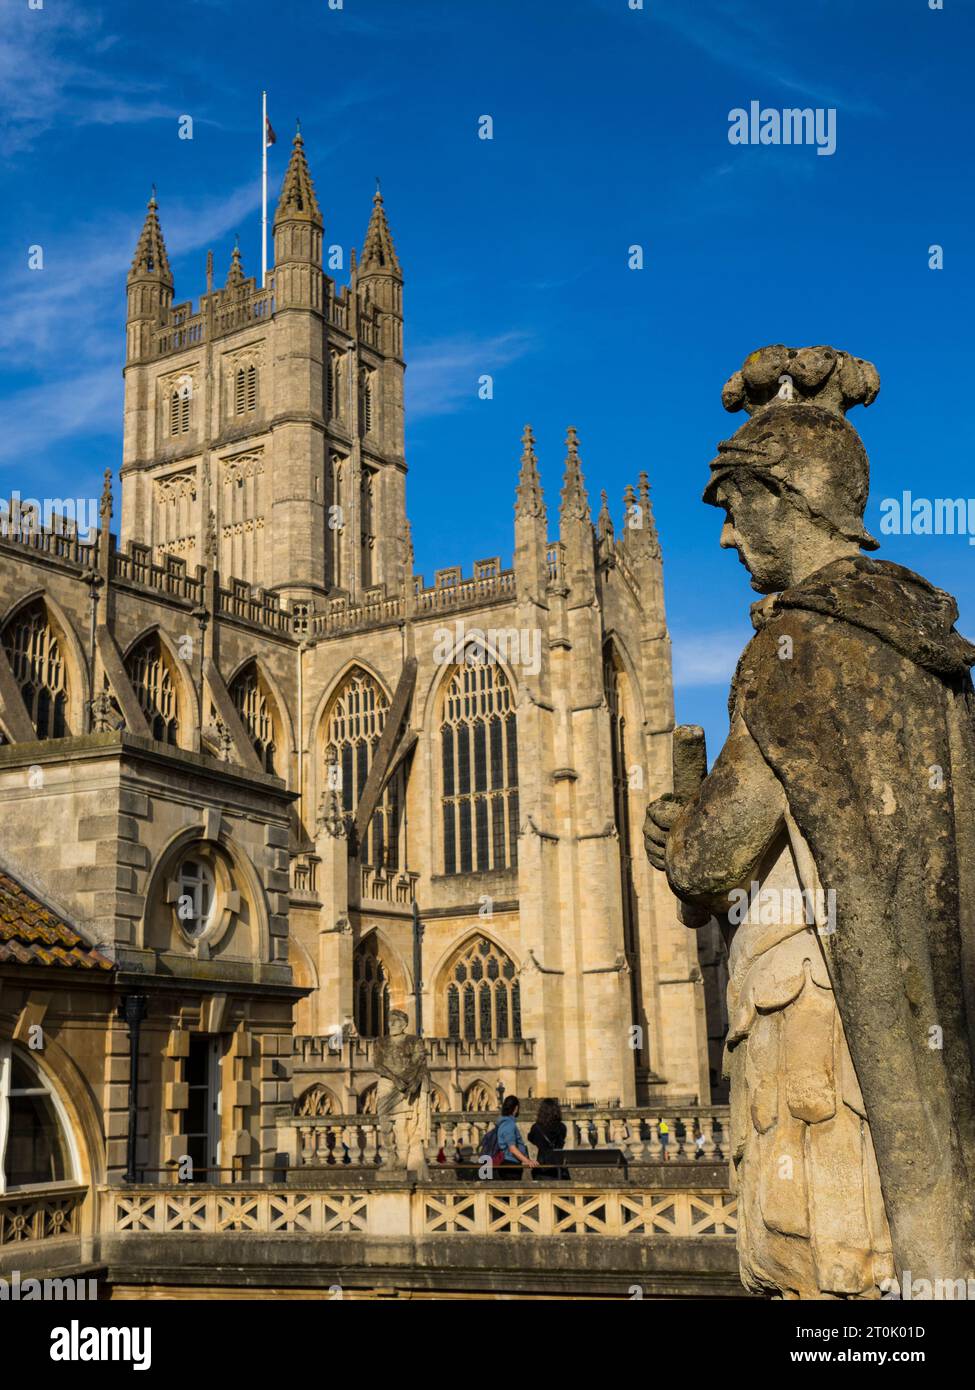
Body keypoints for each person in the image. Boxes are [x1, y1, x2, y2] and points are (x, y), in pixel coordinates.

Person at [495, 1095, 537, 1181]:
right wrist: (528, 1161)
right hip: (510, 1164)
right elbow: (512, 1149)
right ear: (516, 1108)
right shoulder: (509, 1124)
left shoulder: (505, 1122)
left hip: (509, 1163)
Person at [527, 1097, 568, 1181]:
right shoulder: (562, 1127)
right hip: (558, 1167)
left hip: (542, 1167)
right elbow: (562, 1138)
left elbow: (530, 1138)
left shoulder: (536, 1127)